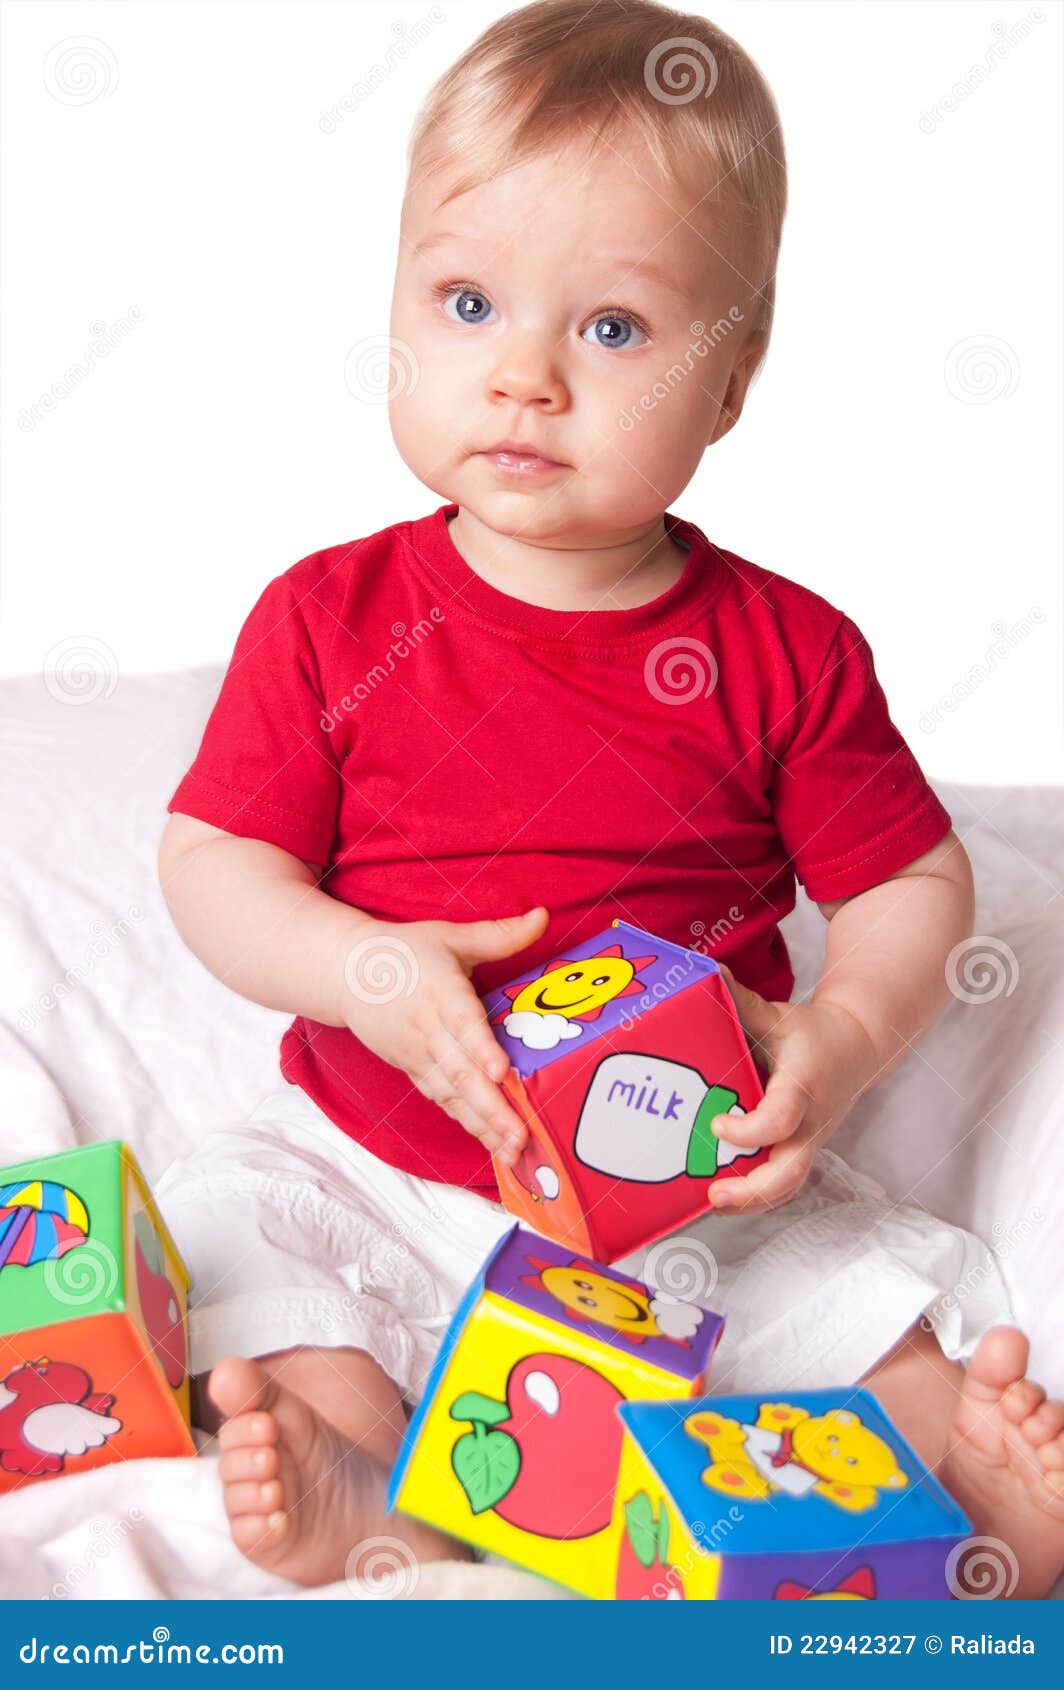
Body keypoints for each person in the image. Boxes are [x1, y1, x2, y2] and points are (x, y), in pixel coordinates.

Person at [156, 0, 1064, 1596]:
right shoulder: (330, 621)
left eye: (616, 330)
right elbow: (214, 861)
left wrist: (841, 1040)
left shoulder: (783, 651)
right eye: (466, 303)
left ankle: (960, 1493)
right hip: (384, 1163)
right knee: (239, 1241)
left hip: (681, 1208)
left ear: (732, 382)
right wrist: (360, 968)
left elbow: (913, 883)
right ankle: (368, 1486)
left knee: (847, 1298)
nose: (523, 376)